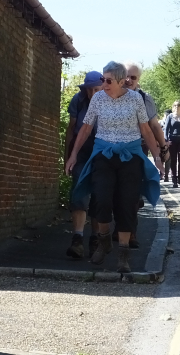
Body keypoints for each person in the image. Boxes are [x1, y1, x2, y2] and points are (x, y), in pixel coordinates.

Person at [66, 61, 164, 273]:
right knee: (101, 199)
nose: (104, 84)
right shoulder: (99, 99)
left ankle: (123, 255)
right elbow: (85, 128)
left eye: (108, 80)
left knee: (127, 203)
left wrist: (157, 157)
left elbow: (146, 130)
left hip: (130, 156)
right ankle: (103, 241)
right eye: (103, 79)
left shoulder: (136, 99)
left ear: (121, 81)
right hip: (103, 154)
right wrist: (73, 154)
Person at [123, 62, 169, 248]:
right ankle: (119, 229)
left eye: (133, 77)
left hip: (139, 149)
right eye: (125, 76)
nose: (128, 80)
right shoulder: (109, 95)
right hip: (114, 148)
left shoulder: (144, 99)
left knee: (132, 193)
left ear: (138, 80)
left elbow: (155, 126)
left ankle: (130, 233)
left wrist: (163, 149)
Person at [64, 71, 103, 259]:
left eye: (97, 89)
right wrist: (67, 157)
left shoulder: (109, 102)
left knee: (98, 194)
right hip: (81, 151)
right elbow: (71, 130)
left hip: (102, 151)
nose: (93, 93)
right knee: (79, 190)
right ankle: (77, 239)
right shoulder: (78, 101)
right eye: (90, 89)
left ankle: (95, 239)